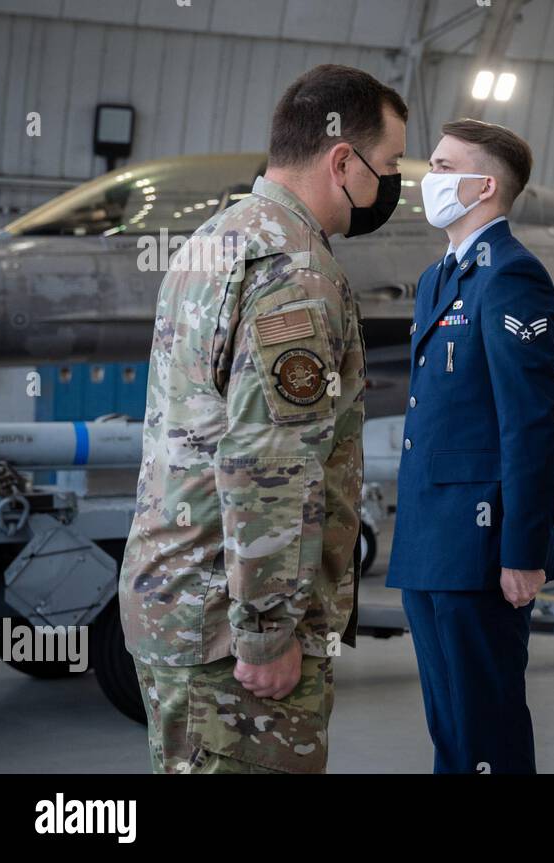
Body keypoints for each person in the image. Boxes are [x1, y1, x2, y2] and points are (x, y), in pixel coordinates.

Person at [119, 64, 406, 773]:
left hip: (177, 600)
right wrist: (266, 632)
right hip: (229, 631)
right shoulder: (295, 269)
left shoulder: (216, 238)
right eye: (390, 163)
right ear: (343, 160)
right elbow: (265, 466)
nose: (390, 184)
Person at [386, 119, 554, 774]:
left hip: (480, 546)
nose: (426, 179)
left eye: (441, 166)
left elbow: (531, 423)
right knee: (450, 729)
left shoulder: (513, 276)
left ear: (483, 185)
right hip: (430, 541)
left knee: (485, 731)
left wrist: (522, 548)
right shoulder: (439, 277)